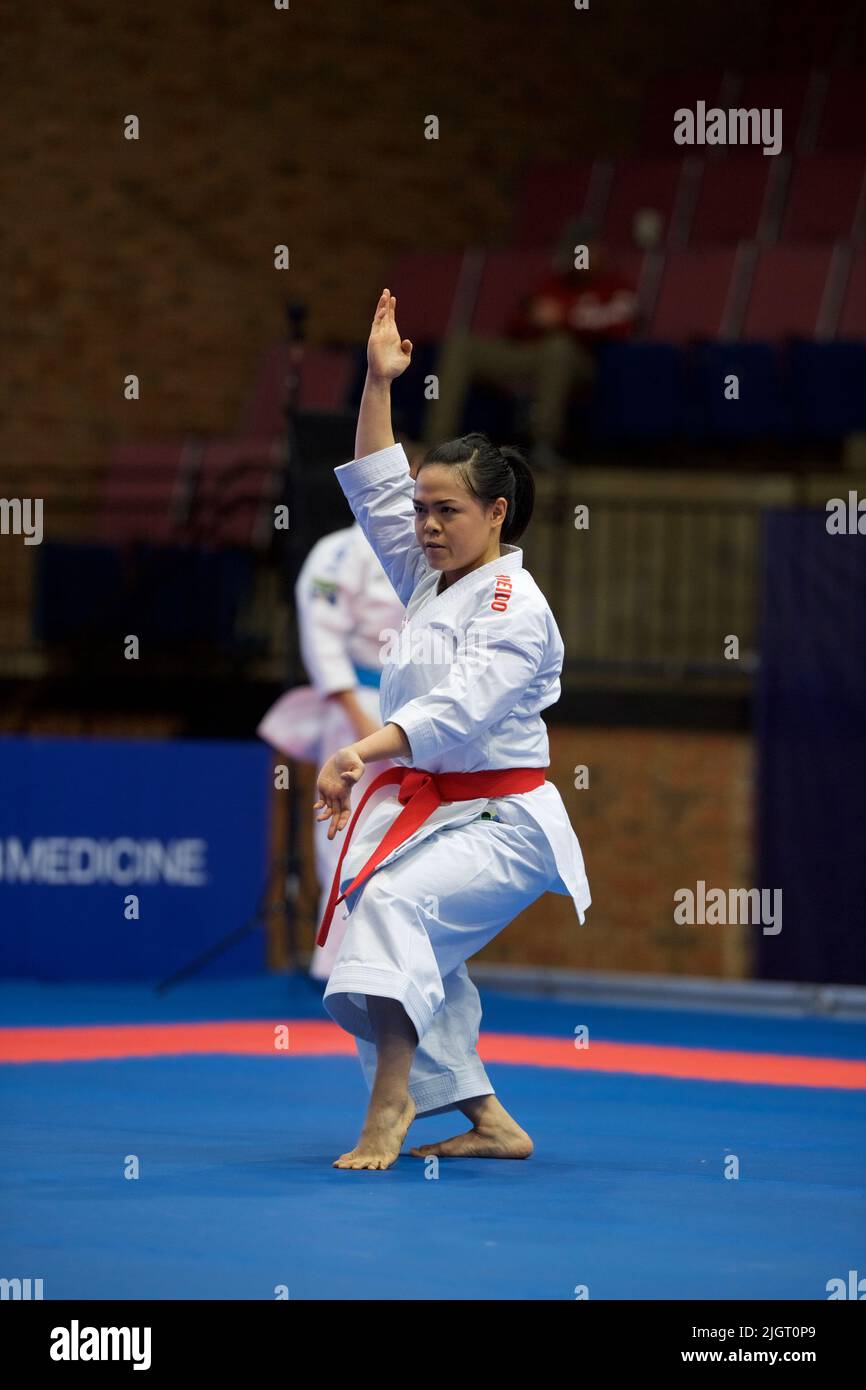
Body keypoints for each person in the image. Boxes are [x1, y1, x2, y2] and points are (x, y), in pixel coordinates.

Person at [313, 288, 591, 1171]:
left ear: (497, 514)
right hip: (444, 809)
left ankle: (390, 1107)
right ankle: (490, 1119)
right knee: (405, 932)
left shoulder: (513, 606)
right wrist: (376, 382)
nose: (426, 526)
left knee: (395, 908)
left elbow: (457, 710)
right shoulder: (434, 576)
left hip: (504, 822)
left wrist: (360, 748)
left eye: (447, 513)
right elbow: (373, 488)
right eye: (425, 512)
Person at [257, 524, 405, 980]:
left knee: (406, 837)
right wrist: (361, 724)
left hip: (416, 706)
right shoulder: (339, 550)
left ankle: (392, 964)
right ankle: (339, 964)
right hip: (356, 704)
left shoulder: (429, 550)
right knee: (346, 834)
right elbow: (322, 637)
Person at [423, 222, 638, 469]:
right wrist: (534, 318)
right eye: (574, 250)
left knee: (558, 348)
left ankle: (544, 444)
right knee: (460, 345)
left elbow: (622, 327)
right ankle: (438, 443)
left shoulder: (615, 286)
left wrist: (564, 318)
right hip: (532, 351)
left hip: (583, 360)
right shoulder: (552, 282)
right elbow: (515, 324)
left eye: (585, 250)